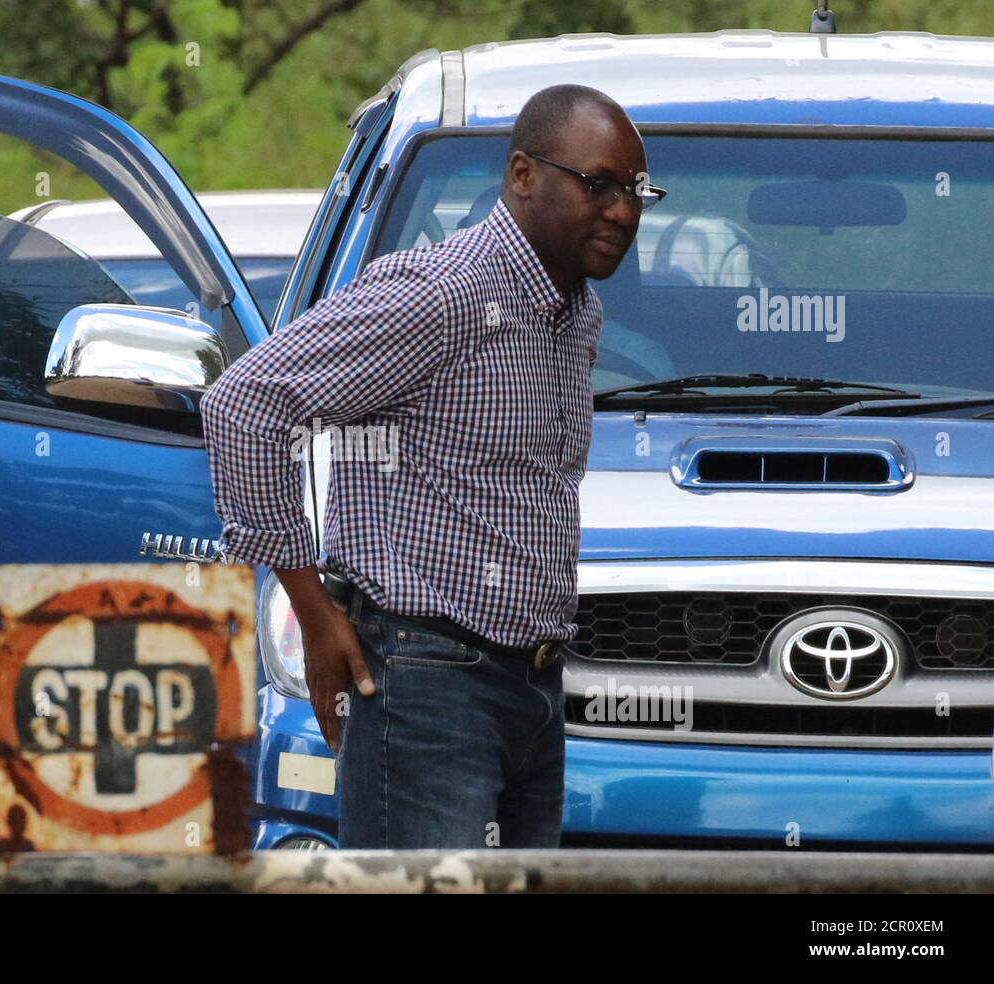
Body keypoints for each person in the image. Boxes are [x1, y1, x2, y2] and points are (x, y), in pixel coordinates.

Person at [199, 83, 661, 848]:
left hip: (535, 687)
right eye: (598, 185)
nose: (622, 210)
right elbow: (244, 404)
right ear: (522, 175)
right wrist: (313, 615)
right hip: (426, 684)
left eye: (635, 190)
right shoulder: (442, 294)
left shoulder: (577, 311)